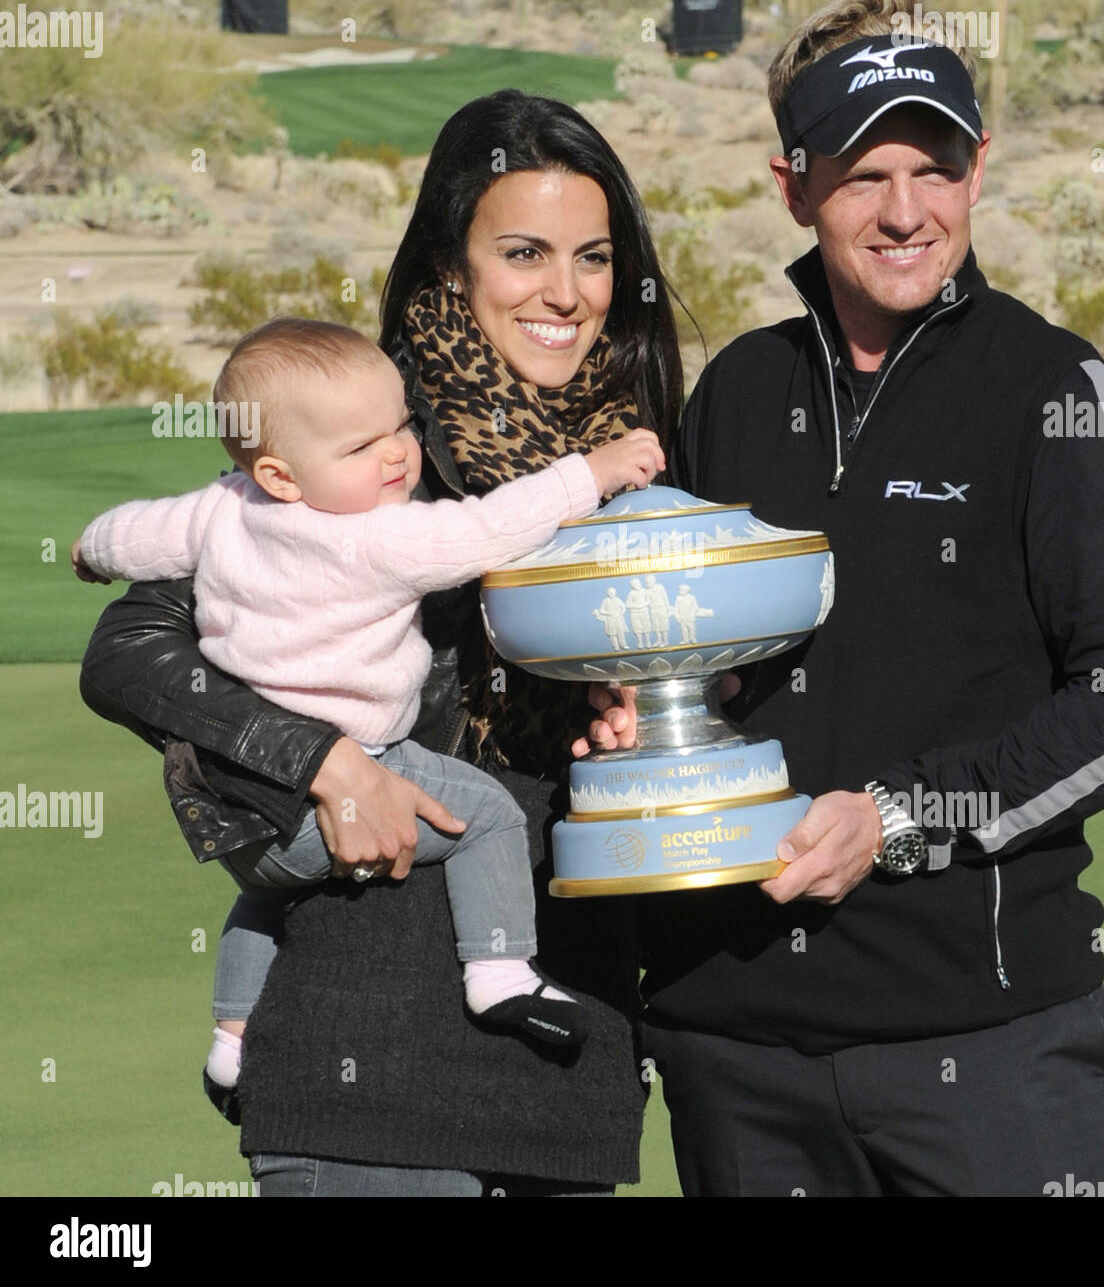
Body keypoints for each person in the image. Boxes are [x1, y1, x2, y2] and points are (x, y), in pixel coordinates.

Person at [581, 0, 1104, 1196]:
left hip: (985, 1046)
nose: (906, 211)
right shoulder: (737, 393)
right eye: (865, 175)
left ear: (979, 173)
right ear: (794, 185)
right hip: (732, 1040)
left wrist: (897, 815)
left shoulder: (1062, 394)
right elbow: (690, 664)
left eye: (937, 166)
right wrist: (635, 715)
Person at [79, 90, 684, 1196]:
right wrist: (325, 761)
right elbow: (127, 654)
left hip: (571, 1037)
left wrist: (639, 717)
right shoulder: (355, 438)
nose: (565, 291)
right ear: (451, 265)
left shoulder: (634, 457)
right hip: (370, 1052)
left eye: (593, 258)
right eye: (522, 252)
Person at [72, 317, 664, 1088]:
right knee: (490, 817)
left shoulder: (221, 508)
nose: (396, 452)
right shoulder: (381, 538)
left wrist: (89, 548)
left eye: (402, 426)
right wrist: (592, 471)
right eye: (360, 447)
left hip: (241, 804)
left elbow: (137, 533)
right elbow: (490, 528)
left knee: (267, 893)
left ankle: (231, 1037)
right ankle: (500, 971)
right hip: (358, 769)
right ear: (282, 475)